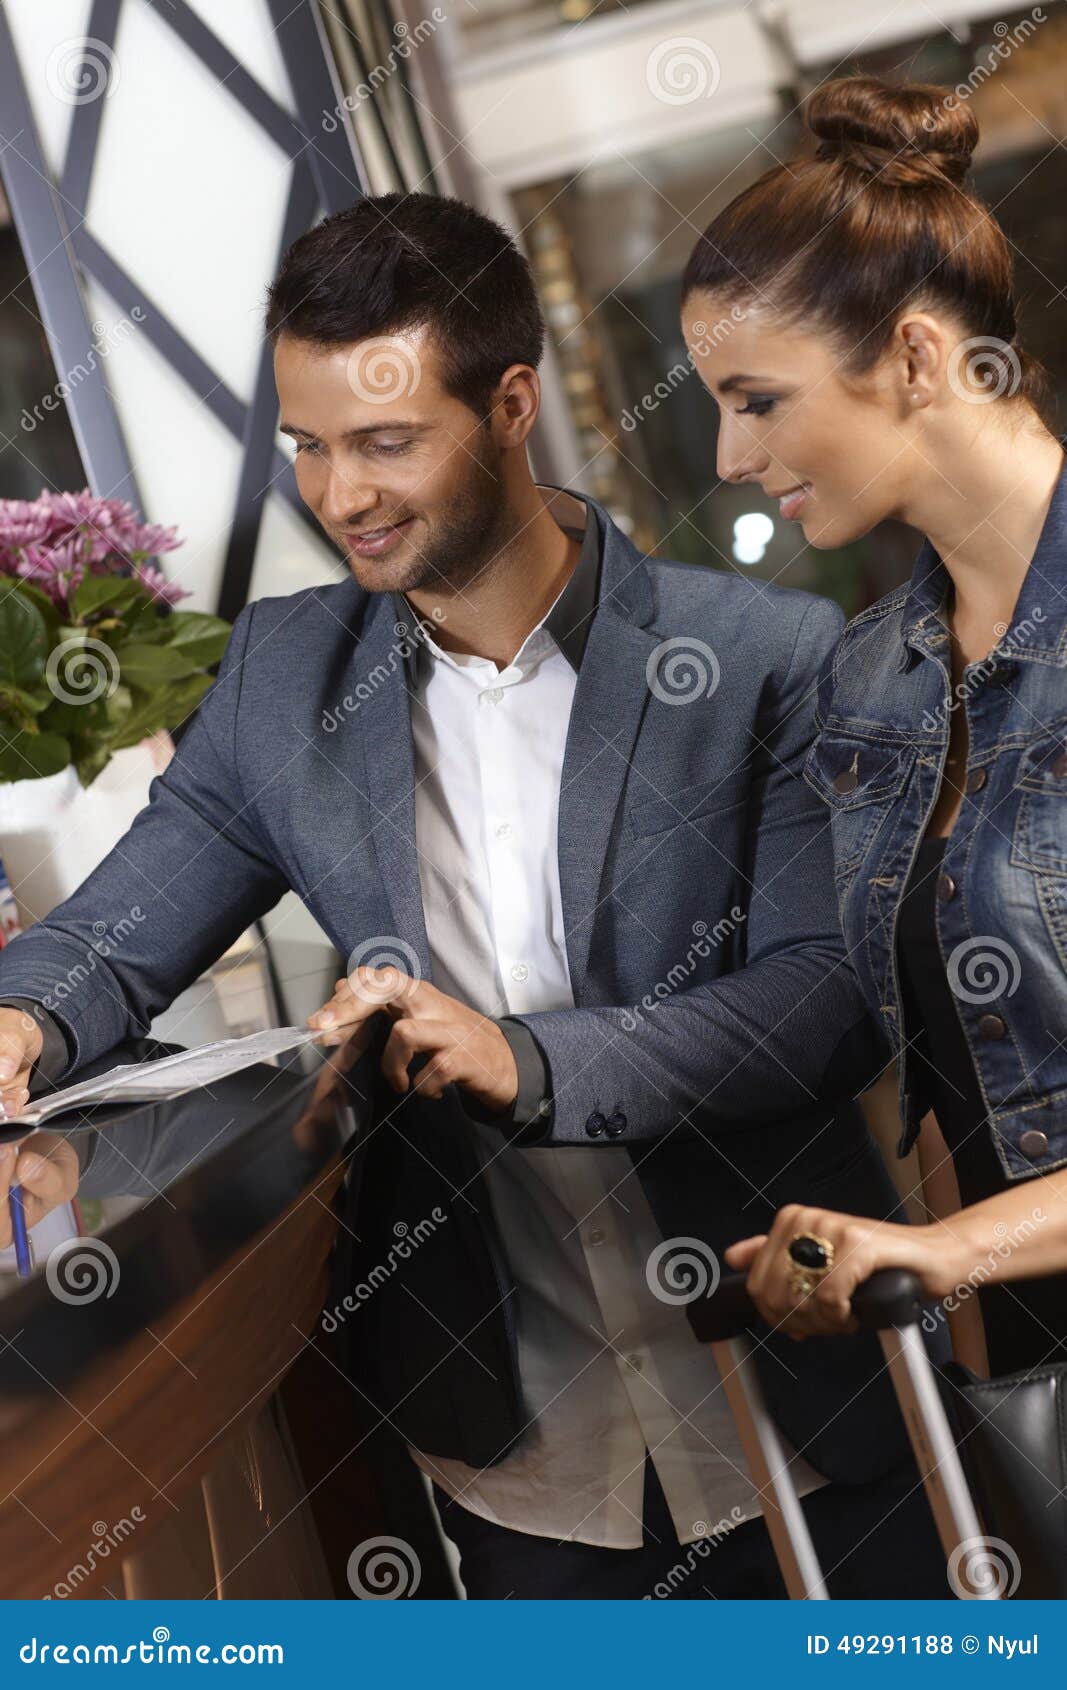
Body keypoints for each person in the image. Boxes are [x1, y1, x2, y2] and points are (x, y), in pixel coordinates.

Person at [0, 192, 947, 1598]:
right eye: (313, 447)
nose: (342, 495)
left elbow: (826, 1002)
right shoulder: (281, 682)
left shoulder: (760, 656)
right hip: (512, 1441)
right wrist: (26, 1021)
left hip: (795, 1398)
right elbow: (114, 933)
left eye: (388, 443)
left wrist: (529, 1059)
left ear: (512, 404)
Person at [678, 75, 1067, 1379]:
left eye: (759, 399)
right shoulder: (874, 680)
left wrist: (953, 1251)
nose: (730, 455)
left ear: (910, 357)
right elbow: (941, 1066)